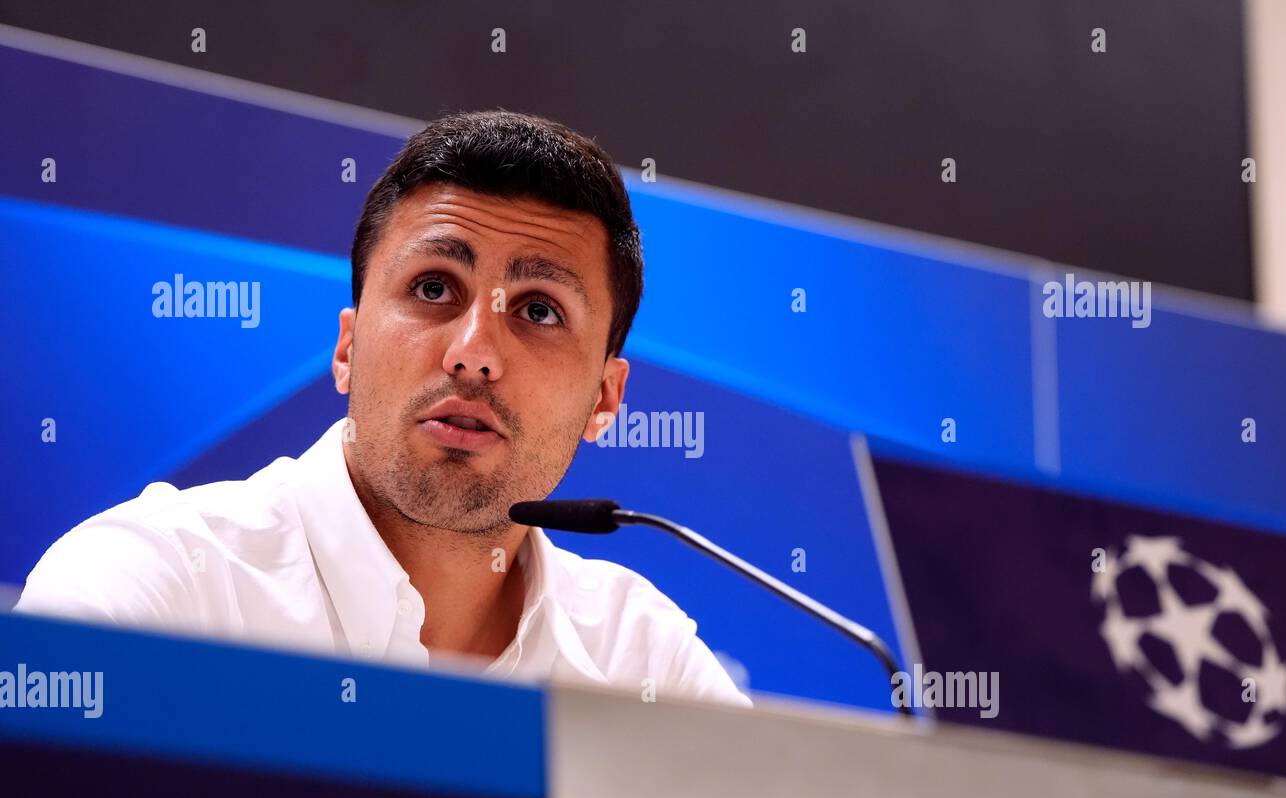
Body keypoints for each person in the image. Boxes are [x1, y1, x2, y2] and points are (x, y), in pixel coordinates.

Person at [17, 109, 752, 709]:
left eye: (537, 309)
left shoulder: (645, 662)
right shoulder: (156, 588)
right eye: (434, 288)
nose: (474, 353)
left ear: (604, 399)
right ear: (347, 349)